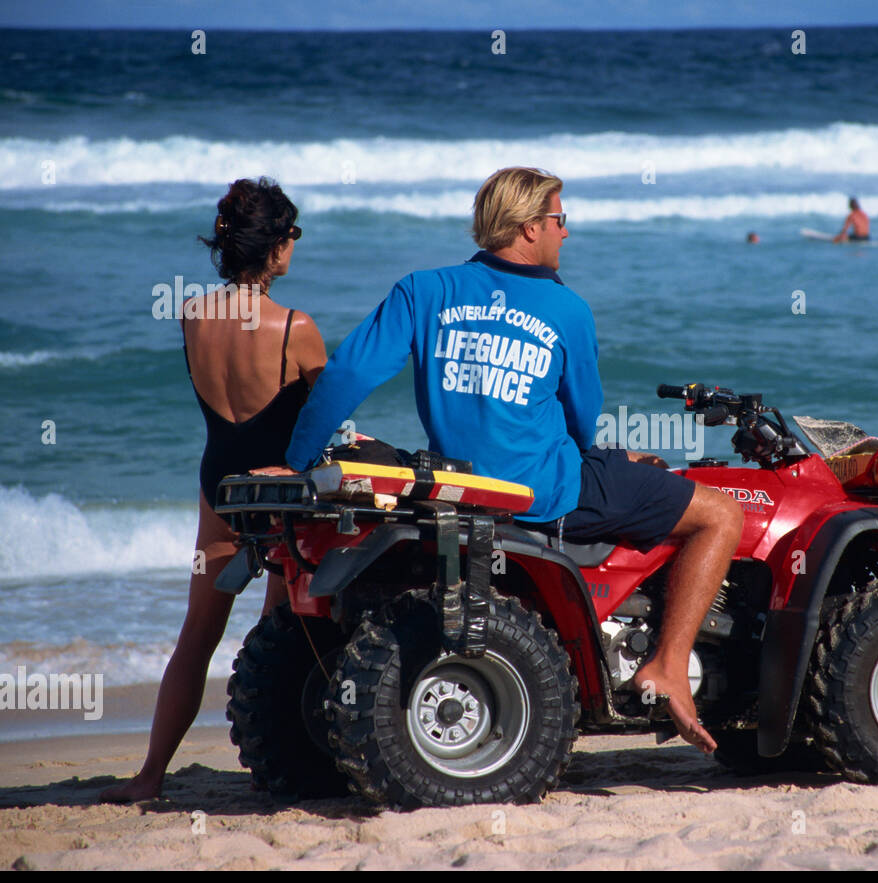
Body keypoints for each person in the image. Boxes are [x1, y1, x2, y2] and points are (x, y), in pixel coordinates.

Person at [284, 166, 742, 753]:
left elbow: (348, 374)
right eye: (560, 219)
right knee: (721, 514)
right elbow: (582, 422)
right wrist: (604, 453)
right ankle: (670, 665)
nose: (566, 233)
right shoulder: (565, 308)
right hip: (547, 490)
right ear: (529, 228)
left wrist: (297, 462)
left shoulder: (424, 290)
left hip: (463, 483)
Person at [101, 178, 327, 802]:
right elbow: (328, 414)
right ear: (277, 245)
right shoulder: (295, 327)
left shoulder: (194, 314)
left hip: (220, 488)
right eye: (293, 236)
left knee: (197, 634)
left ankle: (150, 776)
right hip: (279, 498)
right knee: (283, 629)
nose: (294, 248)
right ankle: (283, 755)